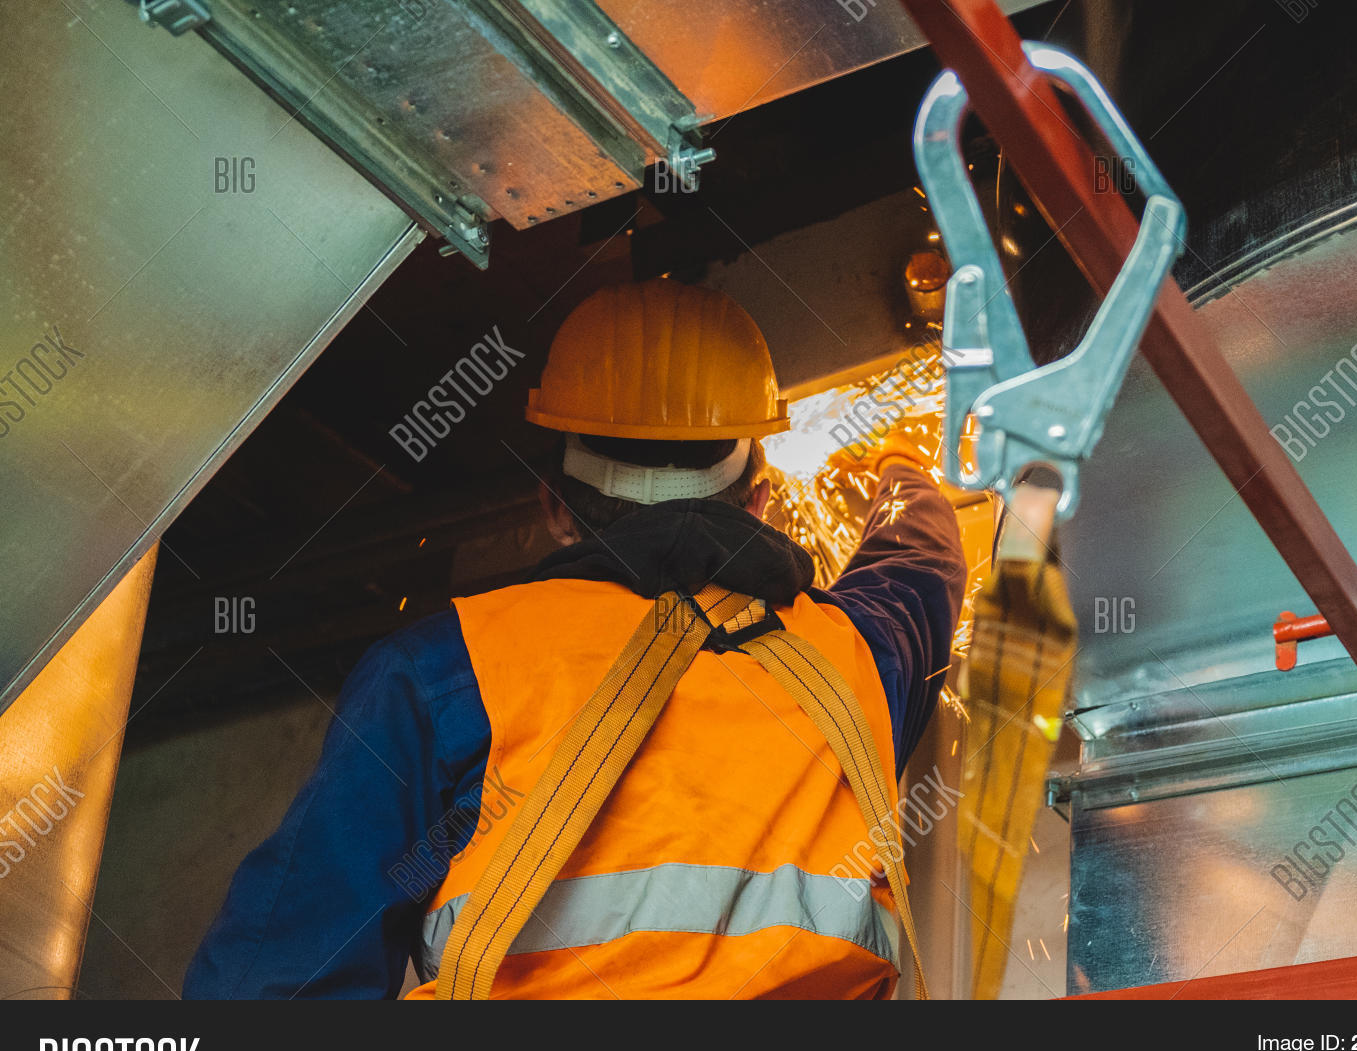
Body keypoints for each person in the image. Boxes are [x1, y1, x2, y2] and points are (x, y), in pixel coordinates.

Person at [184, 279, 964, 999]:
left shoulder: (443, 669)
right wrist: (897, 460)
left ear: (555, 506)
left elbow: (278, 983)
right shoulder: (854, 660)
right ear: (760, 502)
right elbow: (921, 563)